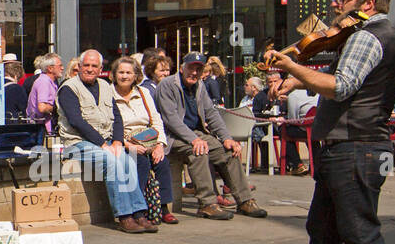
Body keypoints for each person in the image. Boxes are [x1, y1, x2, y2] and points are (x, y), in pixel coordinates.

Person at [260, 0, 395, 244]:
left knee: (359, 231)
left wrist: (292, 65)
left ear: (368, 3)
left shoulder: (368, 35)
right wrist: (297, 79)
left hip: (355, 147)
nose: (335, 5)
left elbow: (340, 87)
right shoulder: (371, 33)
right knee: (322, 228)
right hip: (350, 146)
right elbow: (344, 76)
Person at [156, 52, 268, 220]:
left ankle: (245, 200)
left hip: (197, 132)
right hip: (171, 136)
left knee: (229, 152)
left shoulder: (200, 86)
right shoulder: (167, 85)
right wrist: (194, 139)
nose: (194, 72)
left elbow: (212, 114)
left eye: (198, 69)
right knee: (199, 151)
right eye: (191, 68)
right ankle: (207, 203)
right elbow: (170, 119)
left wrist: (227, 138)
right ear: (182, 67)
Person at [56, 50, 156, 232]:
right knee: (111, 161)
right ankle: (124, 216)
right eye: (86, 65)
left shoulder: (105, 86)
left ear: (100, 69)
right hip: (77, 142)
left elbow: (117, 116)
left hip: (106, 141)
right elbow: (76, 121)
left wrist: (117, 142)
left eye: (94, 66)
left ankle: (139, 213)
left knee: (127, 160)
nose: (89, 69)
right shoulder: (69, 88)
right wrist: (103, 144)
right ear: (79, 67)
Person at [111, 55, 177, 224]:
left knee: (162, 162)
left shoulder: (143, 92)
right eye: (121, 72)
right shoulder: (108, 94)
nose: (124, 76)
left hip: (148, 139)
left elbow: (156, 120)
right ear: (114, 74)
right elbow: (107, 126)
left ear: (136, 75)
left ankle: (162, 208)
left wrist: (160, 145)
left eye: (128, 72)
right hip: (124, 140)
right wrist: (127, 145)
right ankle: (138, 210)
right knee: (140, 162)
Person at [250, 68, 286, 174]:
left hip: (282, 124)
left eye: (276, 81)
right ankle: (265, 164)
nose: (273, 84)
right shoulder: (260, 96)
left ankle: (289, 164)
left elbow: (290, 111)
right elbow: (255, 114)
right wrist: (267, 117)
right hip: (266, 125)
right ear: (266, 83)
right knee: (260, 132)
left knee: (287, 132)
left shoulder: (286, 93)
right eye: (270, 82)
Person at [26, 53, 63, 133]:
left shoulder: (52, 82)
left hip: (45, 128)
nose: (62, 68)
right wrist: (58, 108)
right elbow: (42, 107)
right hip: (41, 130)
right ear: (50, 68)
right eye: (60, 66)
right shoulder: (44, 81)